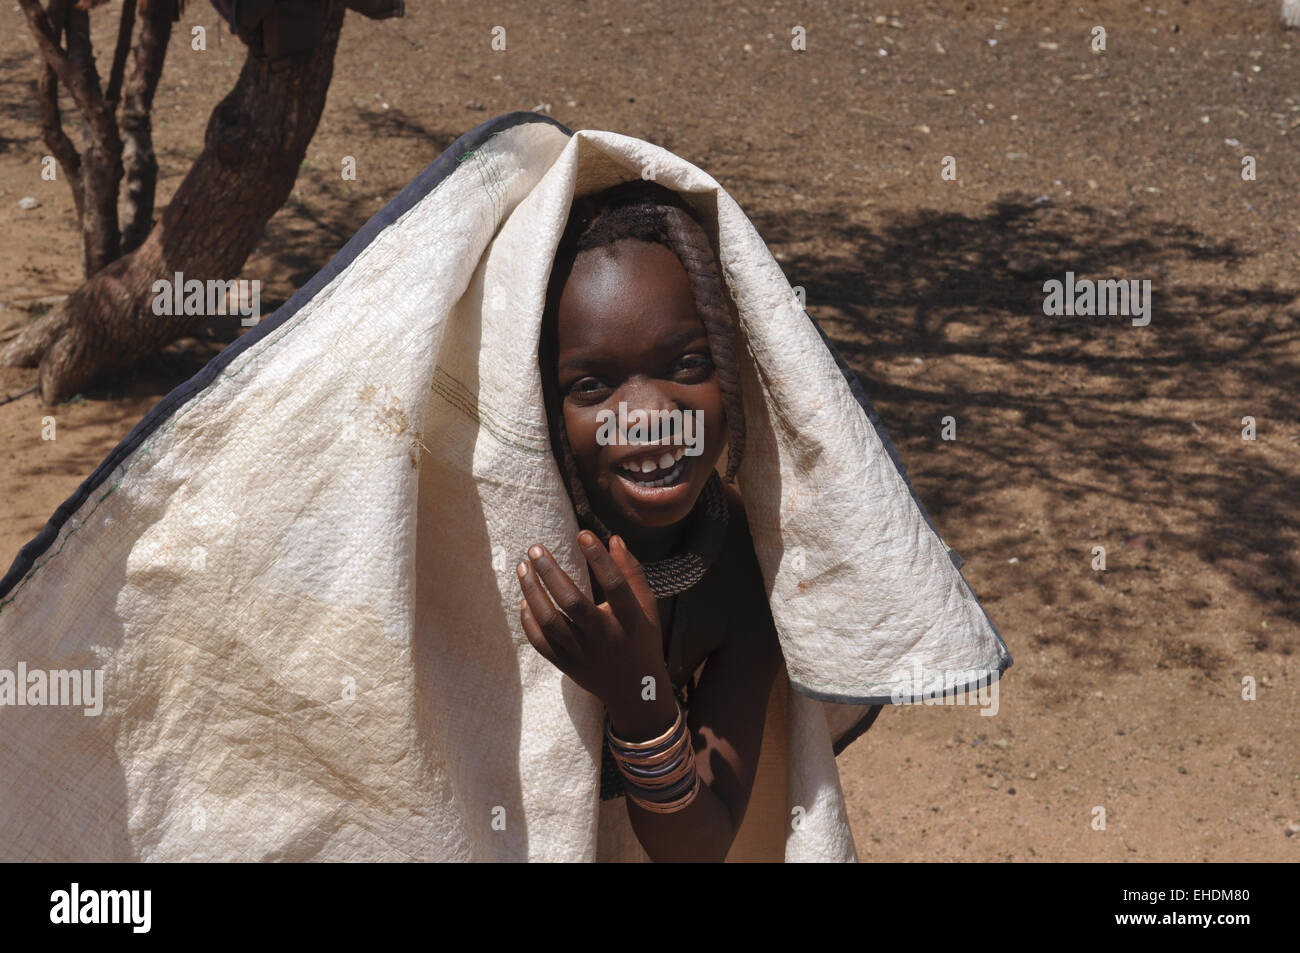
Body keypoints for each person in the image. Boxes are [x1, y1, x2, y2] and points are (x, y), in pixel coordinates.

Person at [518, 180, 787, 862]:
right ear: (539, 406)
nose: (646, 416)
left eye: (688, 365)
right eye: (592, 385)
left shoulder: (735, 570)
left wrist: (641, 697)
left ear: (733, 371)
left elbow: (701, 846)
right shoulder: (497, 545)